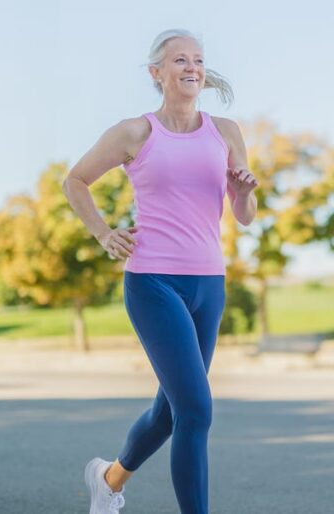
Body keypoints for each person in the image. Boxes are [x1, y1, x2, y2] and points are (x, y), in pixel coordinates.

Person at [62, 28, 258, 514]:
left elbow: (245, 215)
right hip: (153, 281)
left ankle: (108, 481)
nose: (192, 67)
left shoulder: (226, 131)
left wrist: (245, 190)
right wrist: (105, 234)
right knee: (196, 409)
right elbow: (76, 180)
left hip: (209, 284)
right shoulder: (135, 132)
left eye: (198, 59)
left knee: (171, 411)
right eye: (179, 60)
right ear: (157, 73)